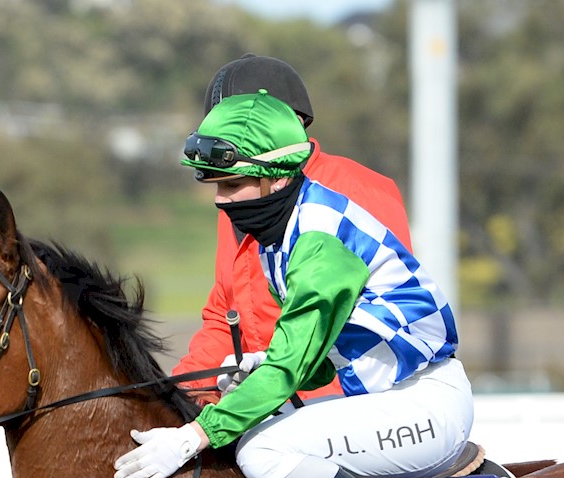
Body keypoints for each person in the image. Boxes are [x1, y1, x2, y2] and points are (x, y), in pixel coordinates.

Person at [114, 91, 473, 478]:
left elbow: (289, 366)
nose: (221, 200)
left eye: (232, 185)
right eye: (215, 185)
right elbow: (307, 354)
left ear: (277, 176)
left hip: (425, 404)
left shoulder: (318, 245)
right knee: (255, 426)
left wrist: (193, 436)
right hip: (386, 391)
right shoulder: (283, 230)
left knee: (262, 450)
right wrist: (252, 367)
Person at [173, 54, 413, 403]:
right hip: (268, 392)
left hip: (348, 396)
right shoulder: (243, 191)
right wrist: (178, 393)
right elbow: (225, 320)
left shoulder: (355, 192)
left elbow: (355, 329)